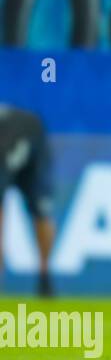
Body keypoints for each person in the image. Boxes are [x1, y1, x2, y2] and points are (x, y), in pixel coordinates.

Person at [0, 104, 56, 298]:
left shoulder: (23, 126)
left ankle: (44, 274)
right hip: (10, 146)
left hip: (31, 143)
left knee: (42, 211)